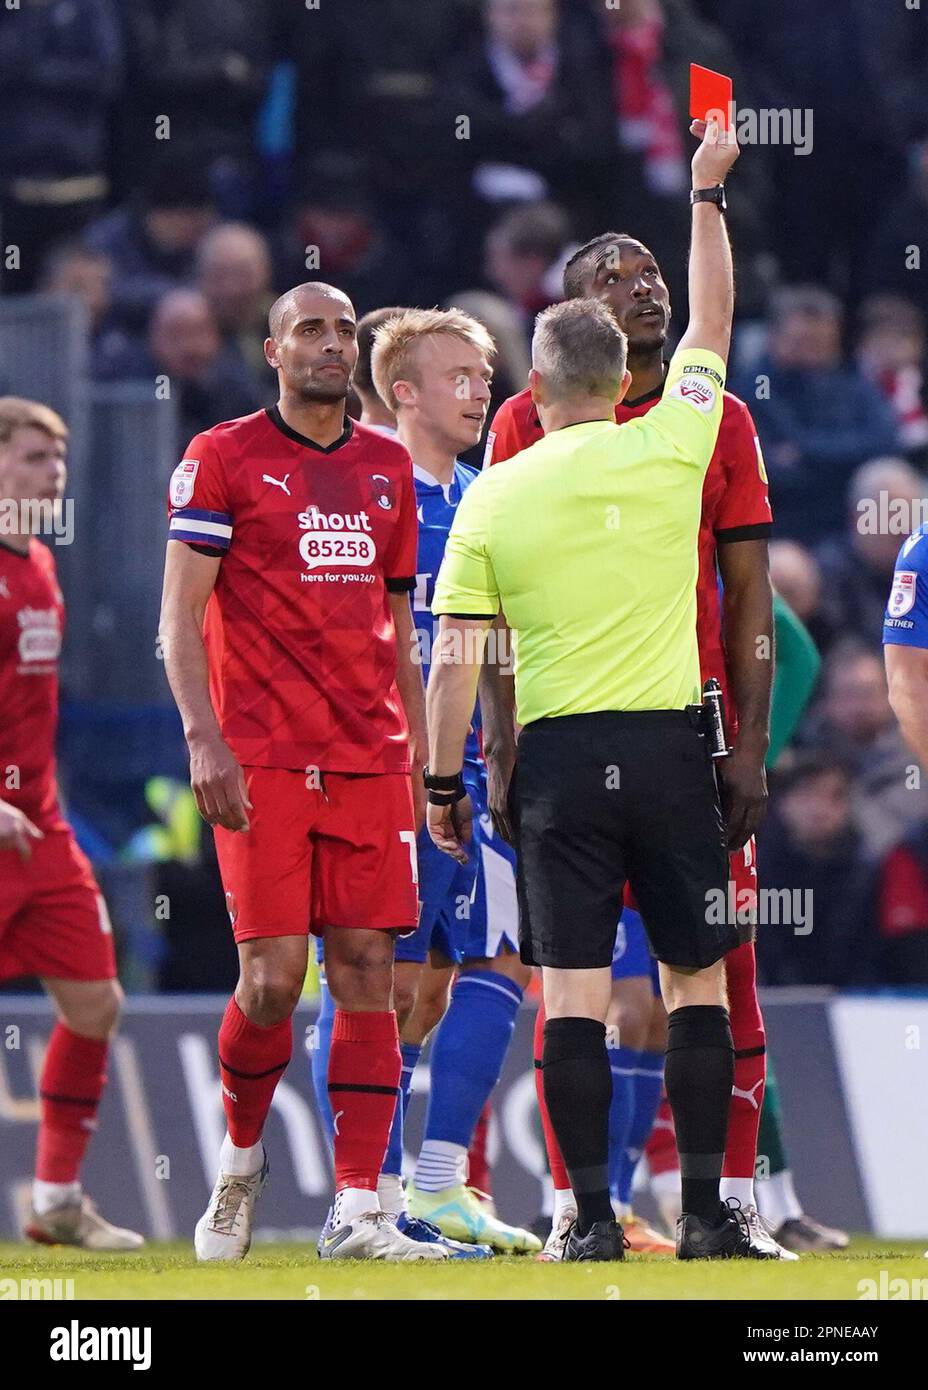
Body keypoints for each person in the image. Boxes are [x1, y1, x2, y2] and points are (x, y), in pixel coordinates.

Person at [427, 119, 772, 1261]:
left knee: (569, 995)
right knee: (698, 986)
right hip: (676, 744)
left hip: (559, 761)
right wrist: (707, 195)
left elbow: (458, 654)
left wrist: (450, 776)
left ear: (536, 383)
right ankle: (713, 1212)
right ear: (628, 377)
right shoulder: (679, 443)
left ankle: (582, 1218)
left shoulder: (492, 493)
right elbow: (713, 323)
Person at [159, 281, 445, 1263]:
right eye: (310, 329)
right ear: (273, 352)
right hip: (263, 758)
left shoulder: (385, 469)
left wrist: (417, 759)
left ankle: (361, 1209)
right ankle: (240, 1164)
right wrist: (204, 739)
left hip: (367, 755)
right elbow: (178, 620)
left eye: (342, 329)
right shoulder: (222, 458)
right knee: (274, 979)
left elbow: (399, 627)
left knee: (369, 967)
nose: (332, 343)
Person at [370, 308, 539, 1253]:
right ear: (403, 391)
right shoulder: (367, 489)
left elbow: (500, 647)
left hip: (474, 779)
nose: (481, 389)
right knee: (387, 985)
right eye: (458, 376)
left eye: (484, 374)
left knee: (486, 967)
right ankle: (368, 1197)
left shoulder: (489, 497)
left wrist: (504, 752)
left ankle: (436, 1187)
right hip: (381, 775)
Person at [0, 397, 142, 1251]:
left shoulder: (42, 563)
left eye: (57, 459)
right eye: (31, 458)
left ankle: (56, 1199)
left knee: (96, 1003)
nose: (53, 473)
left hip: (41, 830)